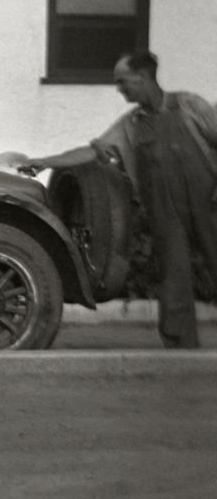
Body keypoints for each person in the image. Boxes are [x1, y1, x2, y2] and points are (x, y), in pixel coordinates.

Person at [21, 51, 217, 348]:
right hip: (166, 211)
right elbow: (90, 152)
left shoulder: (190, 106)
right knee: (173, 275)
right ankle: (181, 346)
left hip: (208, 204)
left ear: (143, 78)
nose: (119, 89)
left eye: (123, 82)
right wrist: (44, 161)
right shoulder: (132, 124)